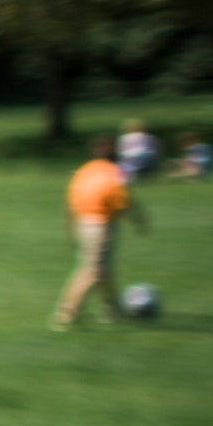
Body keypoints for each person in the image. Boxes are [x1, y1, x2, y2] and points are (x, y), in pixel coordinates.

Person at [52, 135, 145, 330]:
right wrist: (138, 221)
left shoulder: (83, 171)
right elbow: (124, 203)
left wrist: (69, 229)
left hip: (82, 223)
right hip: (100, 225)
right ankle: (65, 315)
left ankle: (111, 310)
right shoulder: (114, 173)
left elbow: (70, 203)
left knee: (102, 270)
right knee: (93, 272)